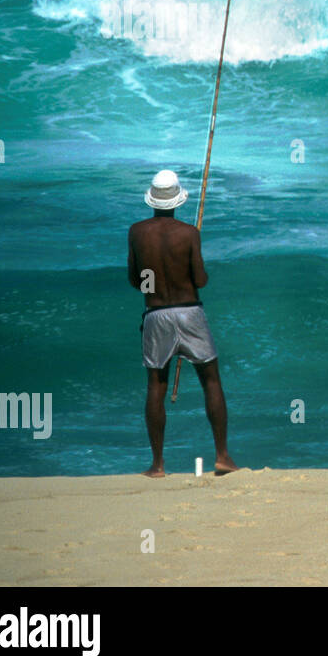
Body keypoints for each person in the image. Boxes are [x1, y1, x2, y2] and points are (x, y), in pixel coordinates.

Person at [128, 170, 238, 477]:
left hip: (156, 314)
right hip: (189, 310)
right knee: (211, 381)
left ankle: (158, 464)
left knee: (155, 386)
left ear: (152, 199)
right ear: (177, 200)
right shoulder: (189, 233)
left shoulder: (137, 232)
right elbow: (200, 279)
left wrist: (158, 291)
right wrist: (182, 278)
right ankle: (222, 456)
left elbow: (137, 281)